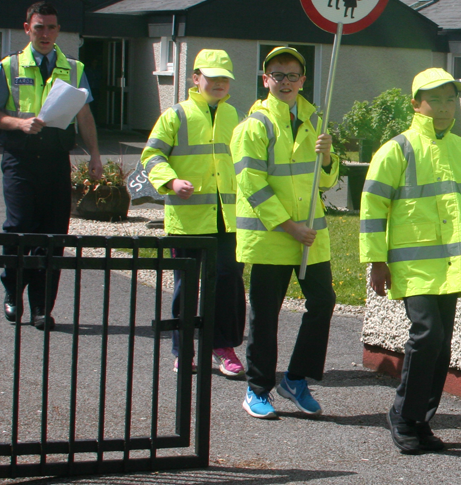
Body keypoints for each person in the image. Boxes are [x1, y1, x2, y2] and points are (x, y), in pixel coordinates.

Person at [361, 68, 461, 453]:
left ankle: (421, 421)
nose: (443, 106)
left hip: (451, 268)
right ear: (415, 103)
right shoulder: (397, 149)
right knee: (428, 336)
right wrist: (376, 260)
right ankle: (403, 416)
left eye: (450, 98)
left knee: (441, 346)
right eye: (434, 98)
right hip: (412, 266)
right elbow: (372, 207)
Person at [231, 46, 339, 419]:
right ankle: (257, 388)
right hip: (272, 236)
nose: (286, 82)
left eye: (293, 75)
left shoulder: (314, 121)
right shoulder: (254, 125)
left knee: (323, 302)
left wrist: (327, 158)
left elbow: (326, 181)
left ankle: (295, 379)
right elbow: (251, 183)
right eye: (278, 75)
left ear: (303, 80)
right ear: (266, 80)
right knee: (266, 315)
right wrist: (288, 226)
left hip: (310, 236)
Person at [0, 1, 102, 329]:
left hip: (55, 160)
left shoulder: (74, 68)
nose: (45, 34)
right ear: (27, 29)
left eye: (51, 27)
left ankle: (41, 308)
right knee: (20, 228)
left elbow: (85, 116)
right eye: (39, 27)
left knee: (53, 234)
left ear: (58, 30)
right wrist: (19, 124)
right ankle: (12, 290)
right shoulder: (10, 66)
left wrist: (94, 155)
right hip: (20, 159)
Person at [140, 49, 246, 377]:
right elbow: (151, 155)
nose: (218, 83)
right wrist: (170, 181)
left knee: (229, 283)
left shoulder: (236, 117)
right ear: (195, 78)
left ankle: (222, 346)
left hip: (227, 218)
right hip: (187, 220)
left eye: (224, 78)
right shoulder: (177, 115)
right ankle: (183, 348)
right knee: (187, 286)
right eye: (211, 77)